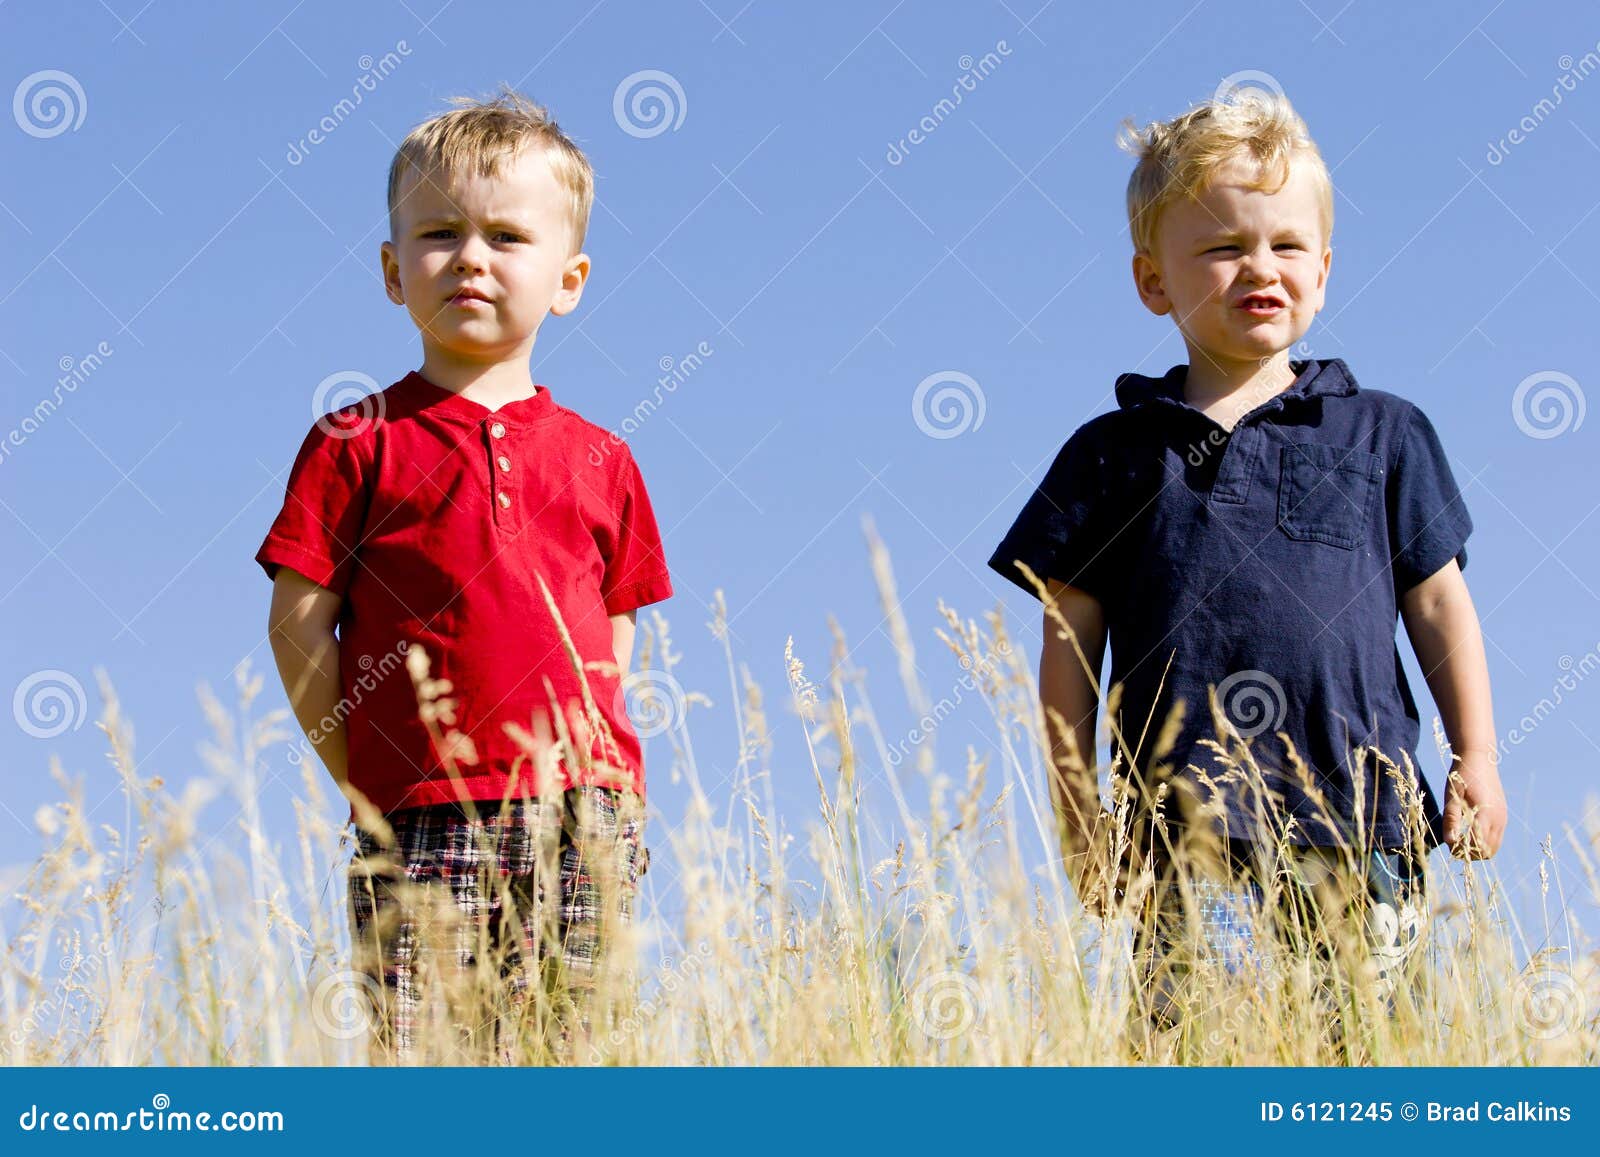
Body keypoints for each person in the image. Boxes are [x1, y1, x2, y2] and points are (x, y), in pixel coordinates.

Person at [987, 89, 1507, 1045]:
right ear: (1154, 281)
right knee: (1197, 1053)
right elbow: (1069, 643)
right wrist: (1076, 810)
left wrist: (1477, 755)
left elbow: (1440, 605)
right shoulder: (1112, 454)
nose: (1260, 267)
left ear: (1325, 269)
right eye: (1224, 247)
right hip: (1184, 833)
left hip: (1361, 823)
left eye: (1288, 244)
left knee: (1362, 1056)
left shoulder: (1384, 433)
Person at [256, 88, 673, 1063]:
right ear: (392, 270)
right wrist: (363, 777)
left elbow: (614, 628)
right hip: (419, 809)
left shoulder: (603, 456)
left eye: (507, 236)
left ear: (568, 279)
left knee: (572, 1051)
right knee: (425, 1057)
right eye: (440, 233)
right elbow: (298, 622)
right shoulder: (356, 440)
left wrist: (596, 769)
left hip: (583, 812)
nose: (472, 258)